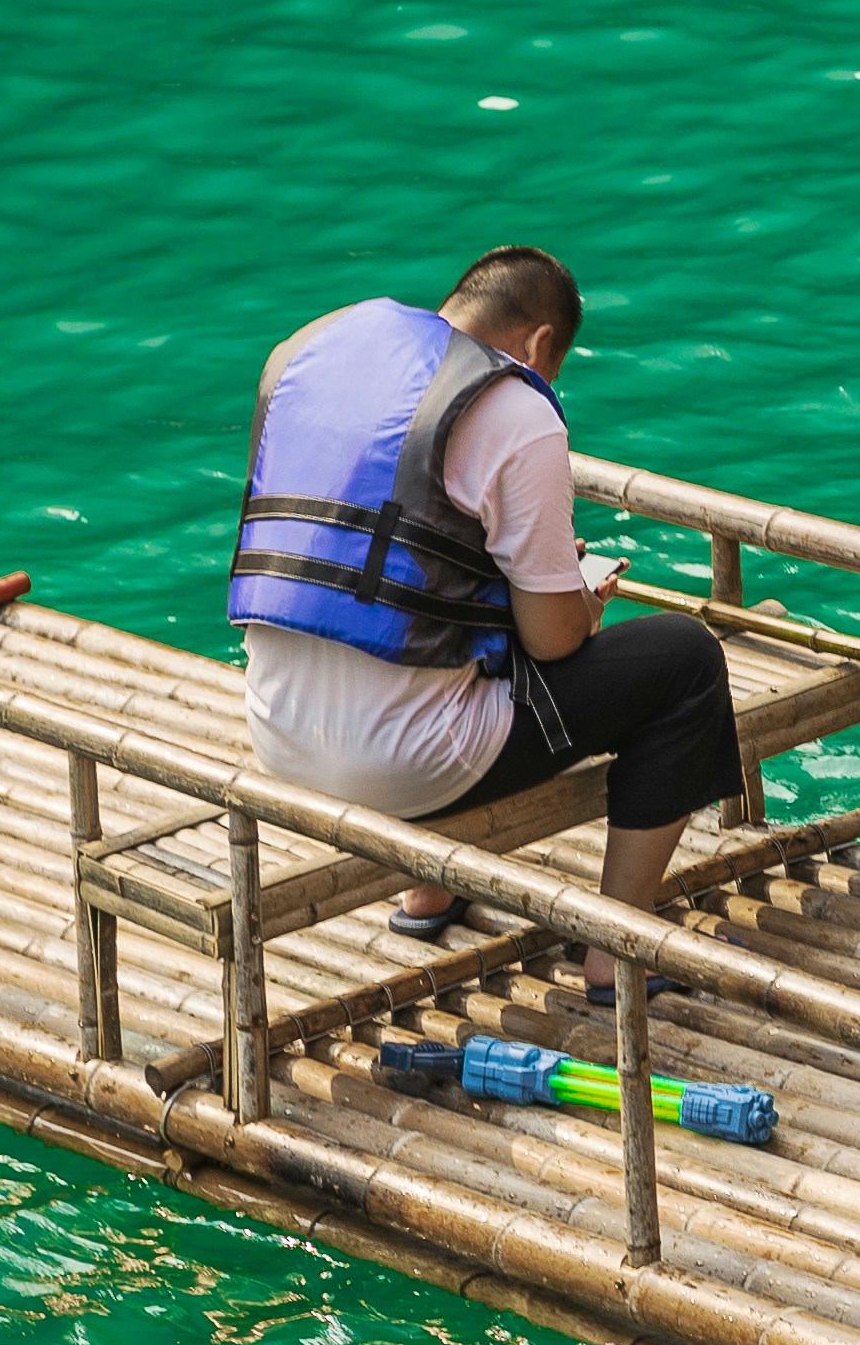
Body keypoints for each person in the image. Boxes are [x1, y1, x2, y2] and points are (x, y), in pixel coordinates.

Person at [228, 245, 741, 944]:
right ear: (540, 344)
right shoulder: (515, 407)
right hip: (410, 762)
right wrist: (583, 603)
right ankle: (618, 944)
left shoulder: (308, 352)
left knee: (426, 627)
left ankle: (429, 895)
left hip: (276, 728)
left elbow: (365, 561)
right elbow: (553, 641)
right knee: (686, 661)